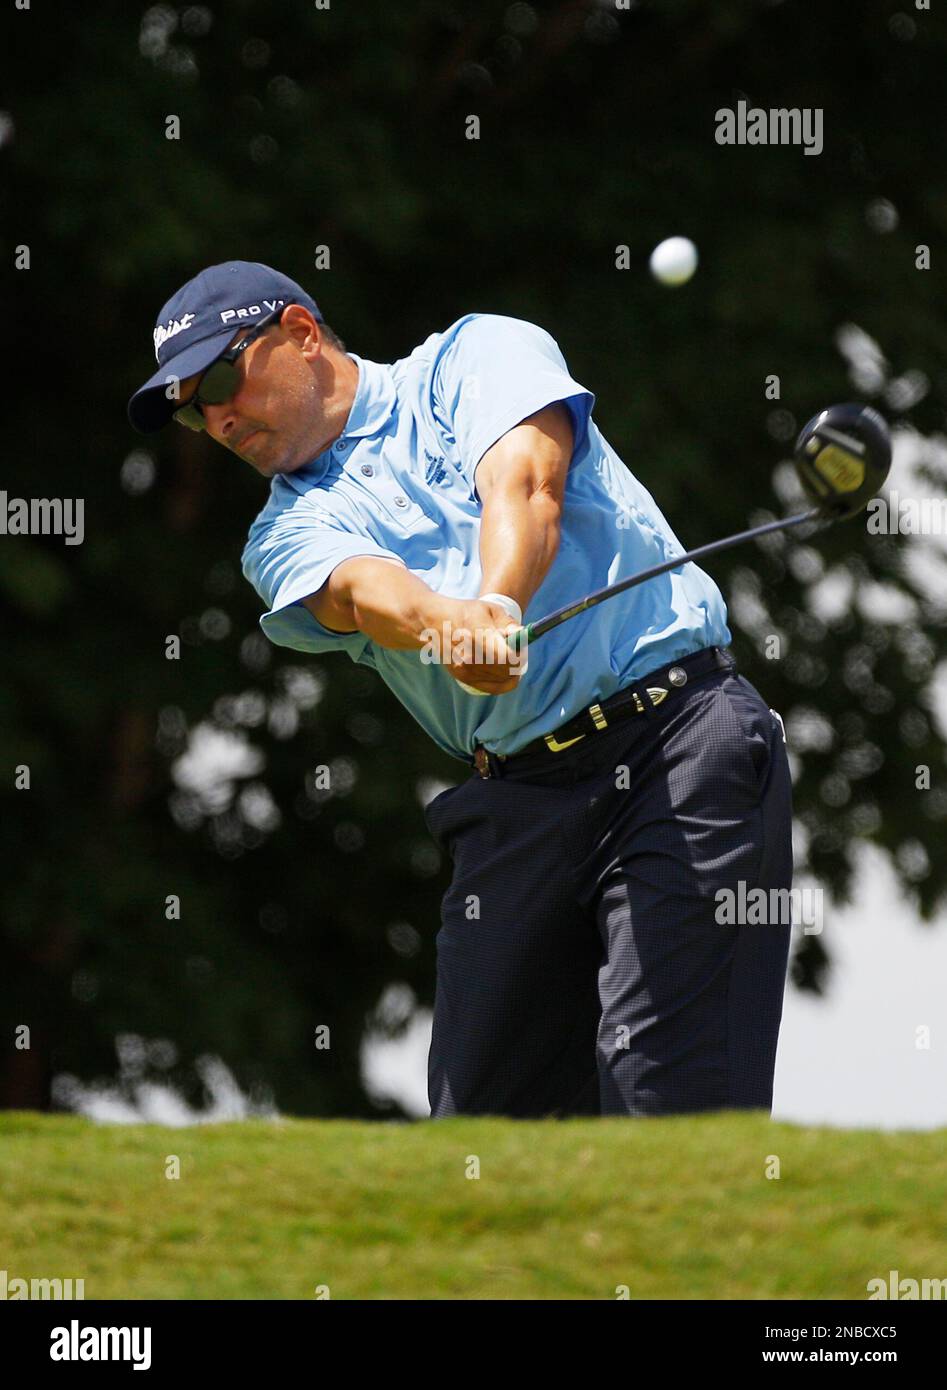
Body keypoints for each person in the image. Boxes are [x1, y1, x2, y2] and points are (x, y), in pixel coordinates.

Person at [129, 260, 793, 1119]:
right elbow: (368, 594)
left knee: (662, 1099)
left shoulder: (476, 355)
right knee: (480, 1131)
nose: (214, 416)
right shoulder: (280, 531)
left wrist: (495, 603)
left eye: (221, 376)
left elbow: (524, 483)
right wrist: (449, 625)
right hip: (515, 801)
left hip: (677, 747)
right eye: (190, 409)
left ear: (299, 331)